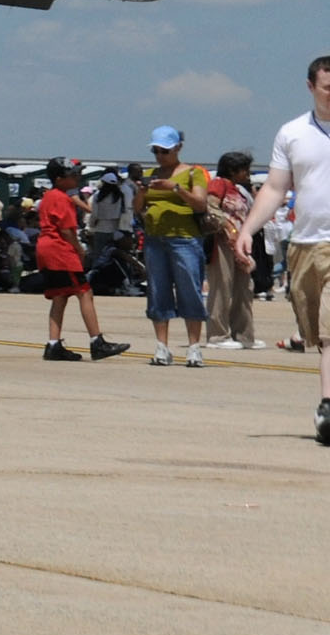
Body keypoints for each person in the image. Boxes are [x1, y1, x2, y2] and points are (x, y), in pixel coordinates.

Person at [243, 62, 330, 440]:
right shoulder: (292, 133)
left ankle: (328, 404)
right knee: (319, 332)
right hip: (306, 245)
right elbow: (276, 189)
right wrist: (248, 228)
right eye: (328, 86)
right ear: (310, 86)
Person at [134, 126, 214, 367]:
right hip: (155, 238)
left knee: (189, 288)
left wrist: (175, 189)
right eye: (156, 151)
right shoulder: (151, 173)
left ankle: (193, 347)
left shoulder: (192, 173)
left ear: (178, 148)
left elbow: (200, 204)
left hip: (185, 238)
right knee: (158, 291)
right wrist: (141, 192)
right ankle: (162, 346)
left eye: (165, 151)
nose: (160, 156)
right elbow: (137, 208)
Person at [33, 166, 120, 359]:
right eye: (72, 175)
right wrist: (79, 251)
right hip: (60, 250)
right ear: (58, 179)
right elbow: (66, 230)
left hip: (45, 249)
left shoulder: (49, 196)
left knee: (59, 296)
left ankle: (53, 344)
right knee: (84, 292)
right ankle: (96, 341)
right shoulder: (63, 198)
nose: (77, 177)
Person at [202, 154, 260, 351]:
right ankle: (217, 335)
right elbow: (211, 207)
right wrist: (228, 227)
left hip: (239, 245)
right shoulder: (219, 184)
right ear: (233, 170)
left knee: (244, 289)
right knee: (222, 288)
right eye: (244, 169)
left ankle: (244, 335)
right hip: (222, 243)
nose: (248, 173)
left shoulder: (240, 190)